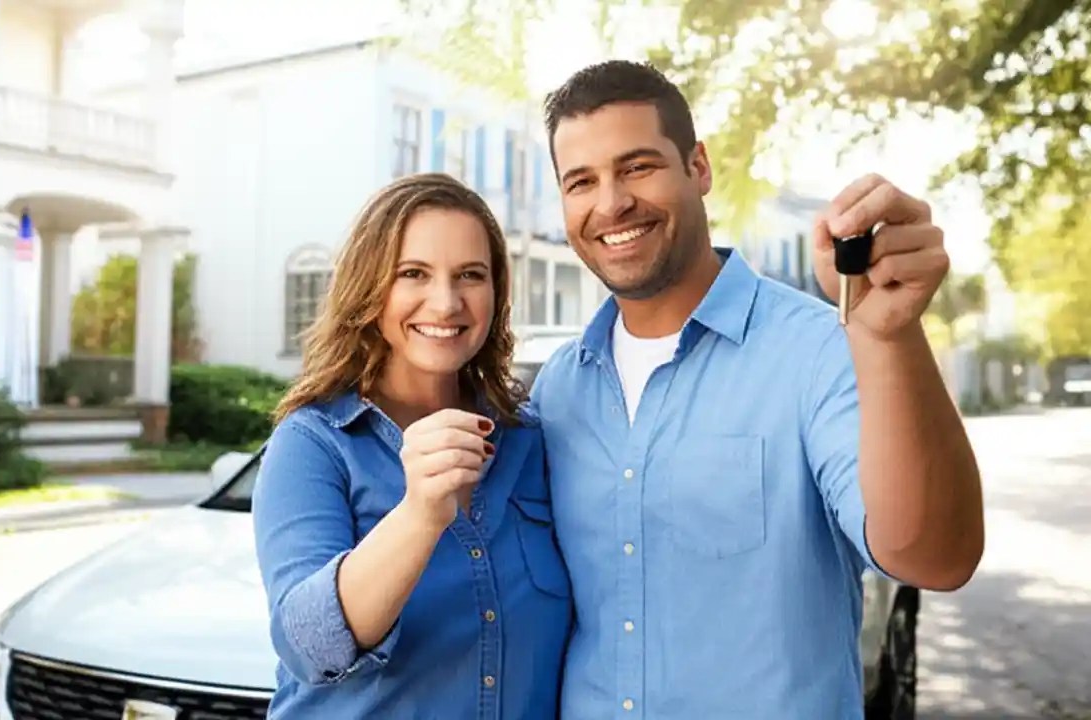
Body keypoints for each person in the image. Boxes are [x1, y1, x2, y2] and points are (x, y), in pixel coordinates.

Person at [528, 60, 986, 718]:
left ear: (699, 167)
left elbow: (937, 557)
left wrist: (890, 338)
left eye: (637, 167)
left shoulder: (823, 349)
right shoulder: (559, 391)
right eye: (581, 182)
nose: (611, 203)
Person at [252, 173, 573, 719]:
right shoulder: (313, 445)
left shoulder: (530, 440)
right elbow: (309, 647)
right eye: (413, 274)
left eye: (470, 275)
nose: (446, 302)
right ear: (370, 289)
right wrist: (420, 513)